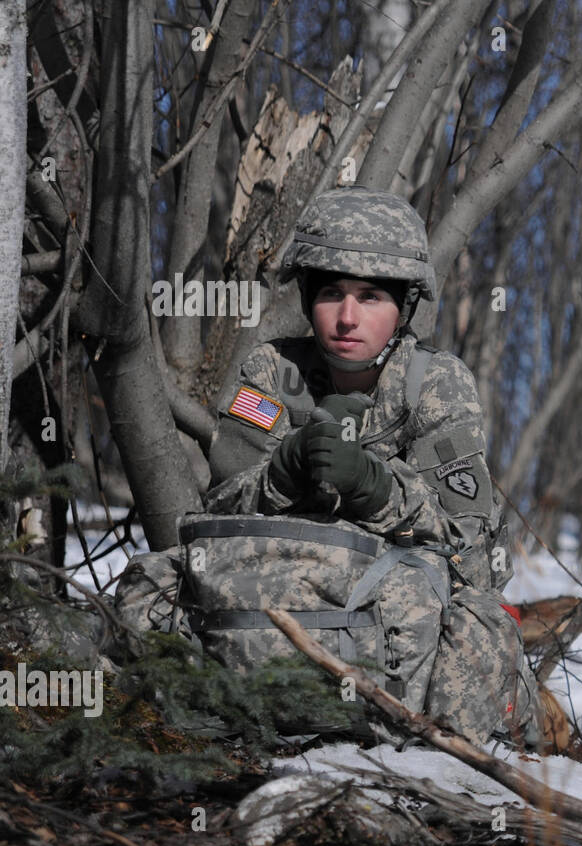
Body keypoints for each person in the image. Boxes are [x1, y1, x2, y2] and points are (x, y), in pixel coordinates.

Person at [118, 186, 554, 747]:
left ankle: (427, 745)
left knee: (480, 627)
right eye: (331, 294)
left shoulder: (433, 383)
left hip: (388, 629)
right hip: (271, 603)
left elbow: (468, 552)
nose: (348, 318)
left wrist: (377, 488)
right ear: (307, 298)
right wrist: (282, 475)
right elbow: (216, 515)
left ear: (405, 306)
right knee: (152, 582)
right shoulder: (273, 370)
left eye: (370, 297)